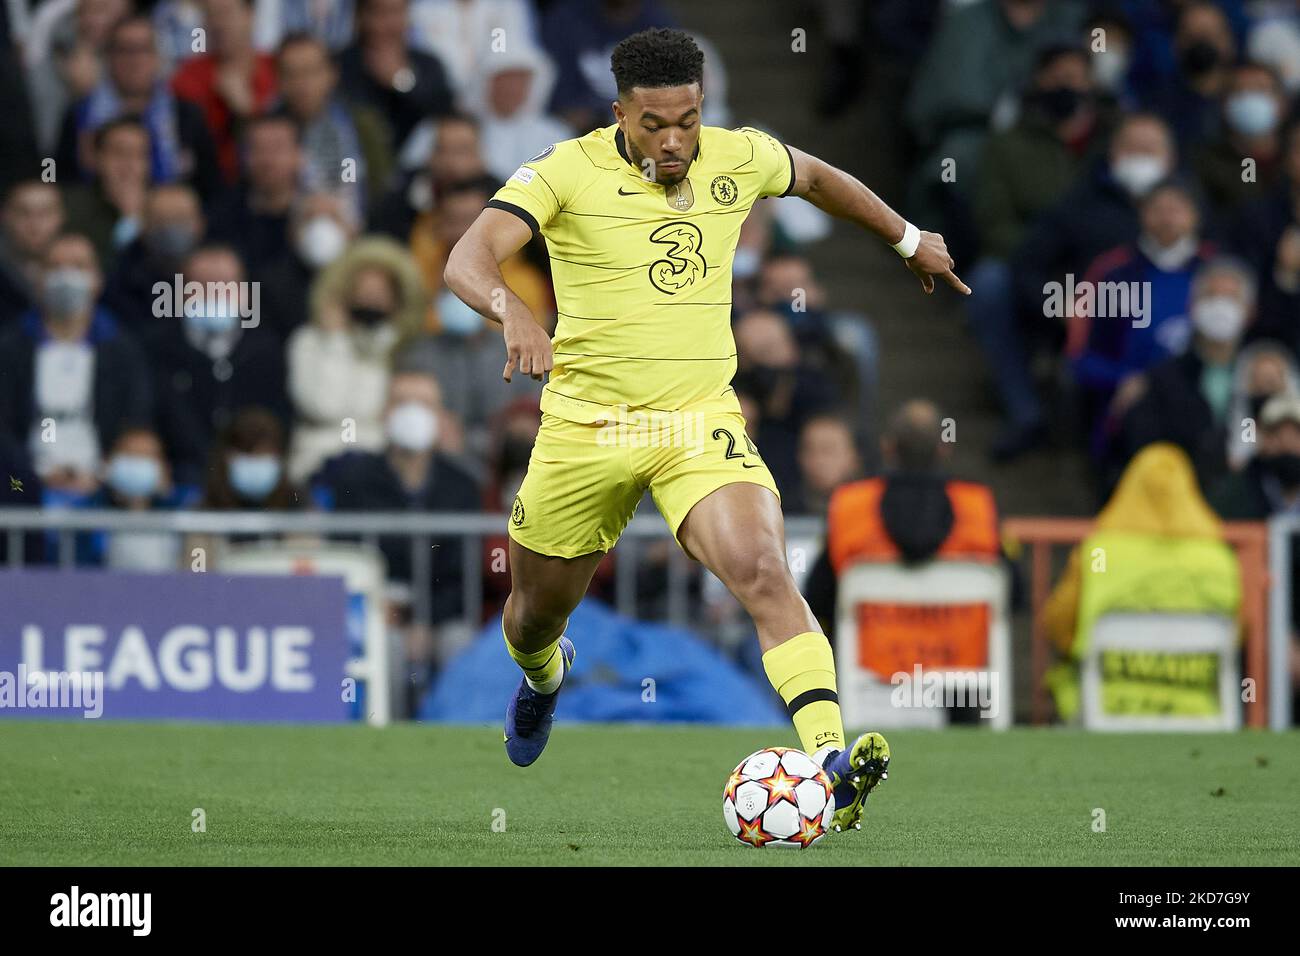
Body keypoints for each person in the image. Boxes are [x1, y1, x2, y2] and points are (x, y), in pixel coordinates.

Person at [443, 29, 969, 831]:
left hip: (698, 423)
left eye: (687, 119)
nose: (674, 140)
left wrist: (906, 239)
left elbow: (819, 178)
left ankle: (829, 762)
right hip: (589, 427)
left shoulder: (736, 155)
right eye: (654, 124)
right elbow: (467, 257)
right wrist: (510, 305)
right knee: (532, 617)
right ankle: (546, 679)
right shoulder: (564, 169)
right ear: (620, 112)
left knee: (763, 568)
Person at [1043, 443, 1241, 722]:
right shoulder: (1219, 559)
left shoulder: (1100, 551)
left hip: (1104, 703)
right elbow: (1240, 629)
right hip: (1196, 708)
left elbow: (1059, 623)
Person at [803, 399, 1000, 633]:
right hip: (959, 666)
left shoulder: (850, 506)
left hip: (867, 666)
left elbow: (817, 598)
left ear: (887, 447)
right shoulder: (977, 506)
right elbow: (1015, 592)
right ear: (944, 447)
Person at [0, 233, 151, 503]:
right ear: (38, 278)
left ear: (98, 279)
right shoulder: (10, 348)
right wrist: (34, 474)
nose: (67, 277)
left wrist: (103, 473)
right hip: (21, 488)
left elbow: (135, 419)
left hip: (104, 489)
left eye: (79, 267)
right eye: (55, 267)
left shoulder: (124, 349)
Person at [286, 236, 428, 483]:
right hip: (315, 459)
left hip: (381, 463)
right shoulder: (308, 341)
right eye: (365, 292)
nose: (372, 300)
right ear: (346, 295)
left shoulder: (402, 350)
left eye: (381, 294)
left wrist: (381, 344)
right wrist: (336, 342)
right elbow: (325, 407)